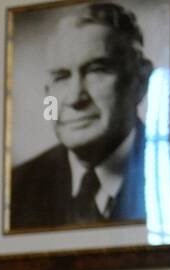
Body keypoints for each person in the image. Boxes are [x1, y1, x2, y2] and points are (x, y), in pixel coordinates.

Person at [9, 2, 154, 230]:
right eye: (61, 77)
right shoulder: (15, 189)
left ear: (140, 81)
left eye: (97, 70)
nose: (76, 98)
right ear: (47, 93)